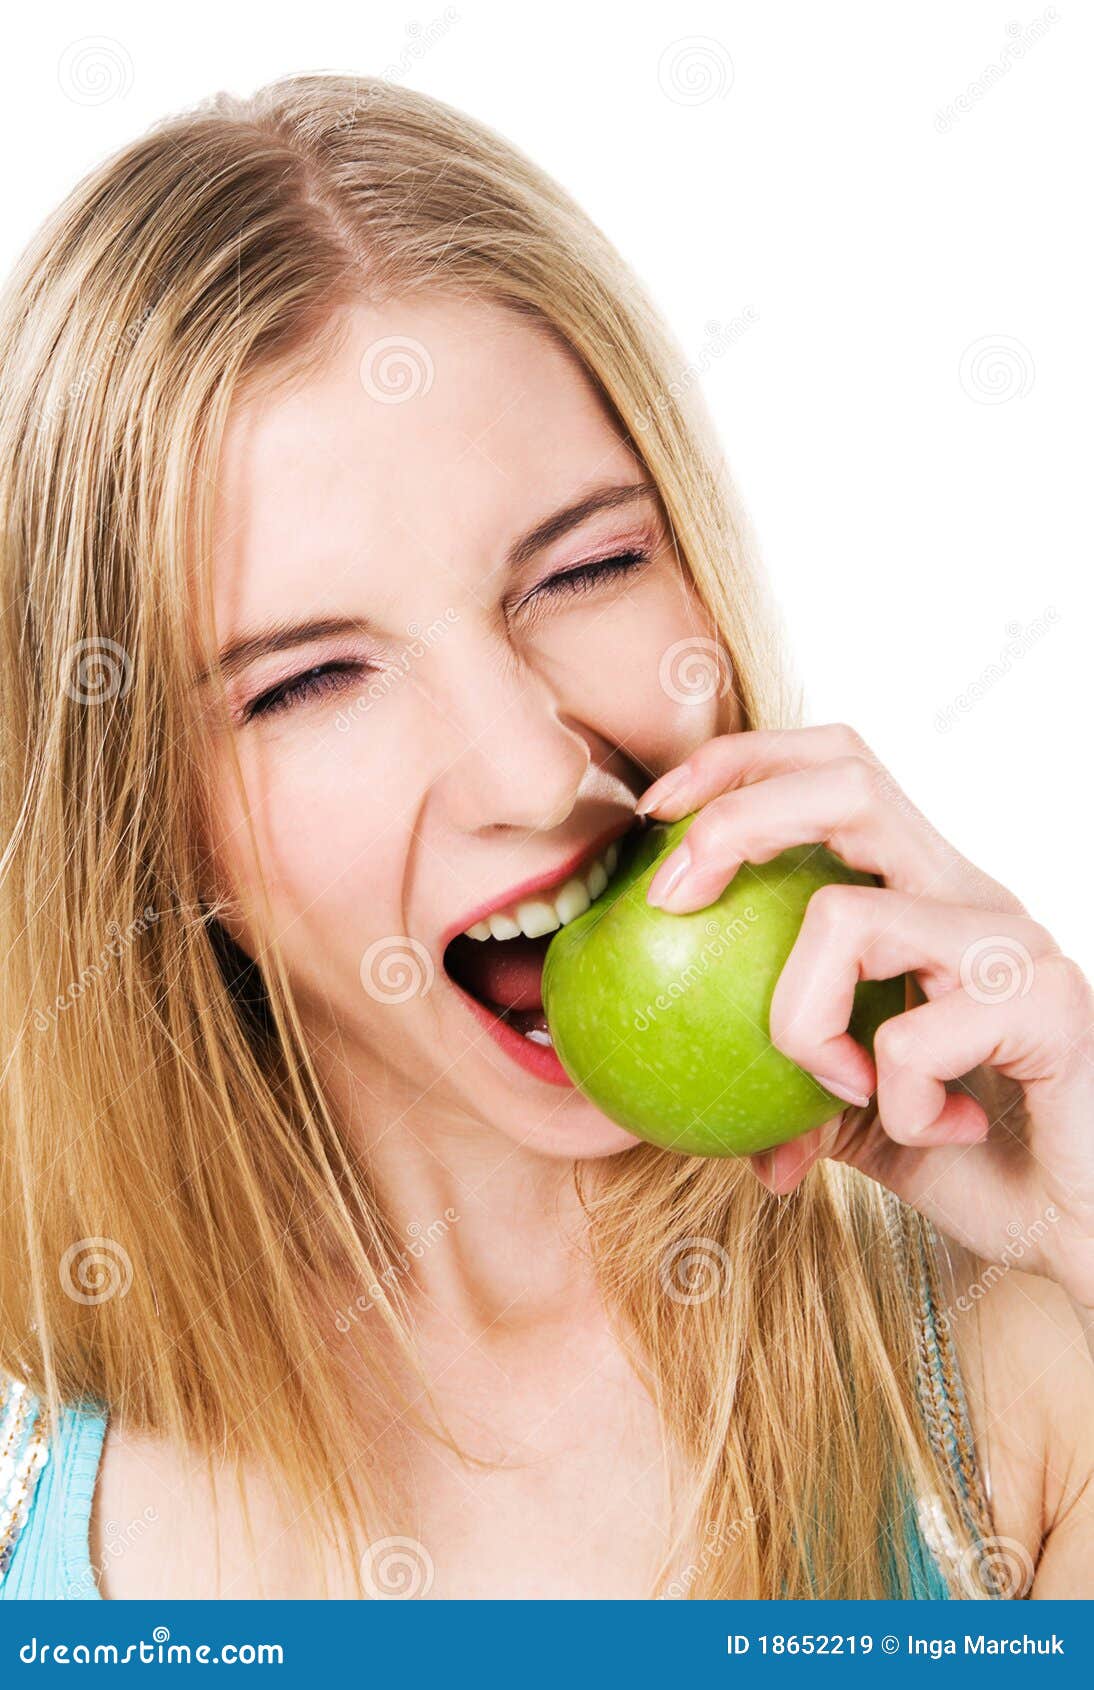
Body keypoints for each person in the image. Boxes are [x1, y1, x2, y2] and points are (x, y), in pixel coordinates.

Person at [1, 73, 1091, 1601]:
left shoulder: (1029, 1370)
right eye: (311, 677)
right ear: (144, 818)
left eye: (580, 570)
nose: (530, 763)